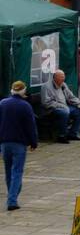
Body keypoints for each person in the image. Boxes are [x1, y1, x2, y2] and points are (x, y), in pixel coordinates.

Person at [0, 81, 38, 211]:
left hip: (4, 143)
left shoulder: (3, 104)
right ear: (23, 91)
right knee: (17, 171)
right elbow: (30, 127)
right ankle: (12, 200)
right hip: (19, 144)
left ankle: (12, 196)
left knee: (8, 171)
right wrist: (34, 142)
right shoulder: (25, 106)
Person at [40, 70, 80, 142]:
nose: (63, 79)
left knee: (79, 111)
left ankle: (72, 134)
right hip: (52, 109)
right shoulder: (46, 87)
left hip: (65, 107)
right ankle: (62, 136)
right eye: (61, 77)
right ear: (55, 78)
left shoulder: (63, 85)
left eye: (63, 77)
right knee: (64, 112)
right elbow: (46, 103)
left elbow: (71, 97)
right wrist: (61, 106)